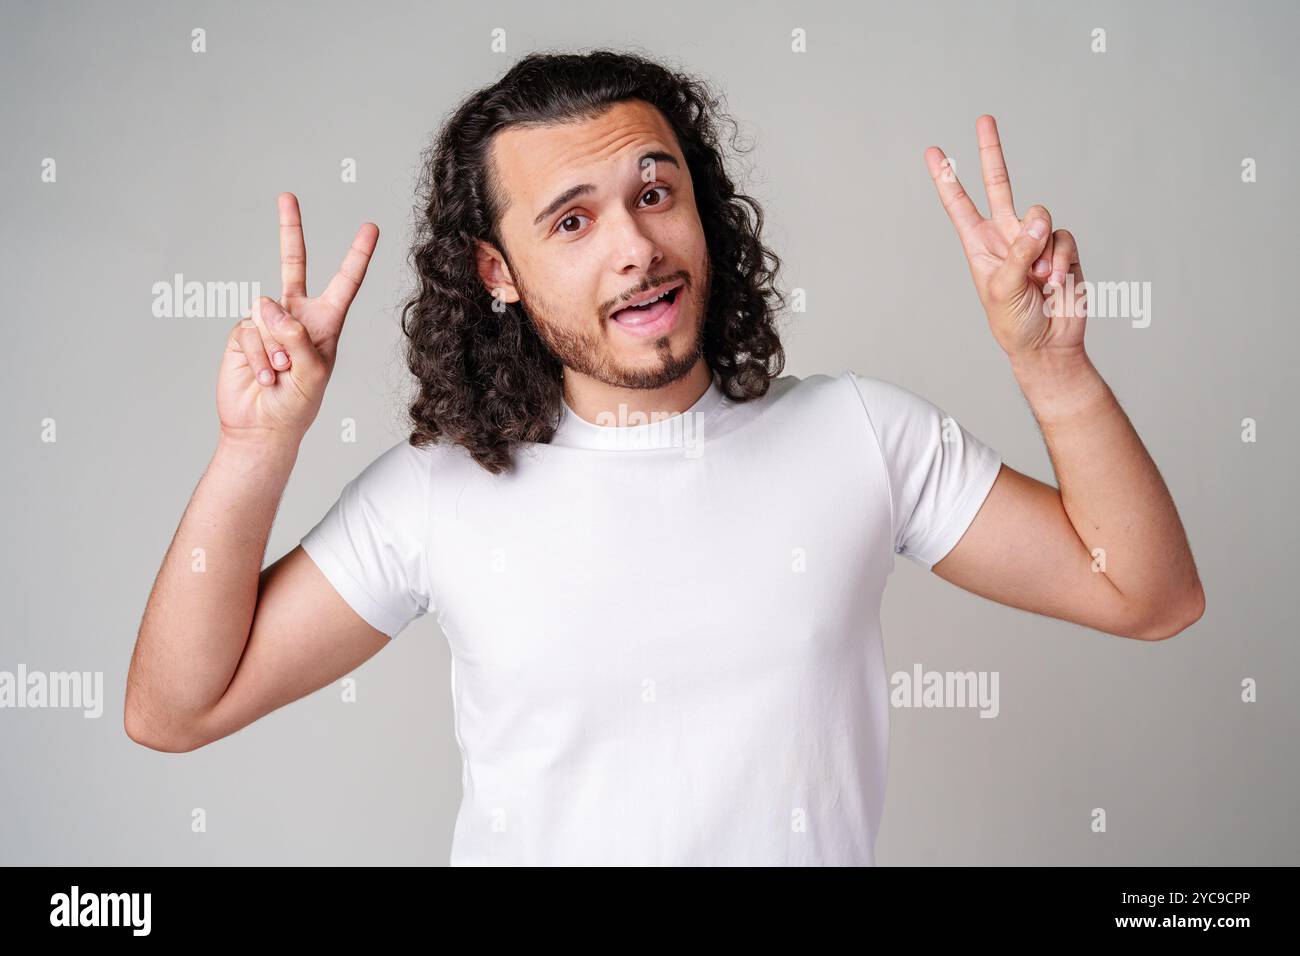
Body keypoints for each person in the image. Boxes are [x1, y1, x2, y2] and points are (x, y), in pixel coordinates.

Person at [126, 51, 1204, 866]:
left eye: (654, 193)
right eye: (573, 221)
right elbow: (175, 708)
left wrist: (1053, 368)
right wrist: (256, 446)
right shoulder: (436, 493)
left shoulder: (860, 437)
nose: (635, 245)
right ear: (496, 270)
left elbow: (1147, 594)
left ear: (700, 210)